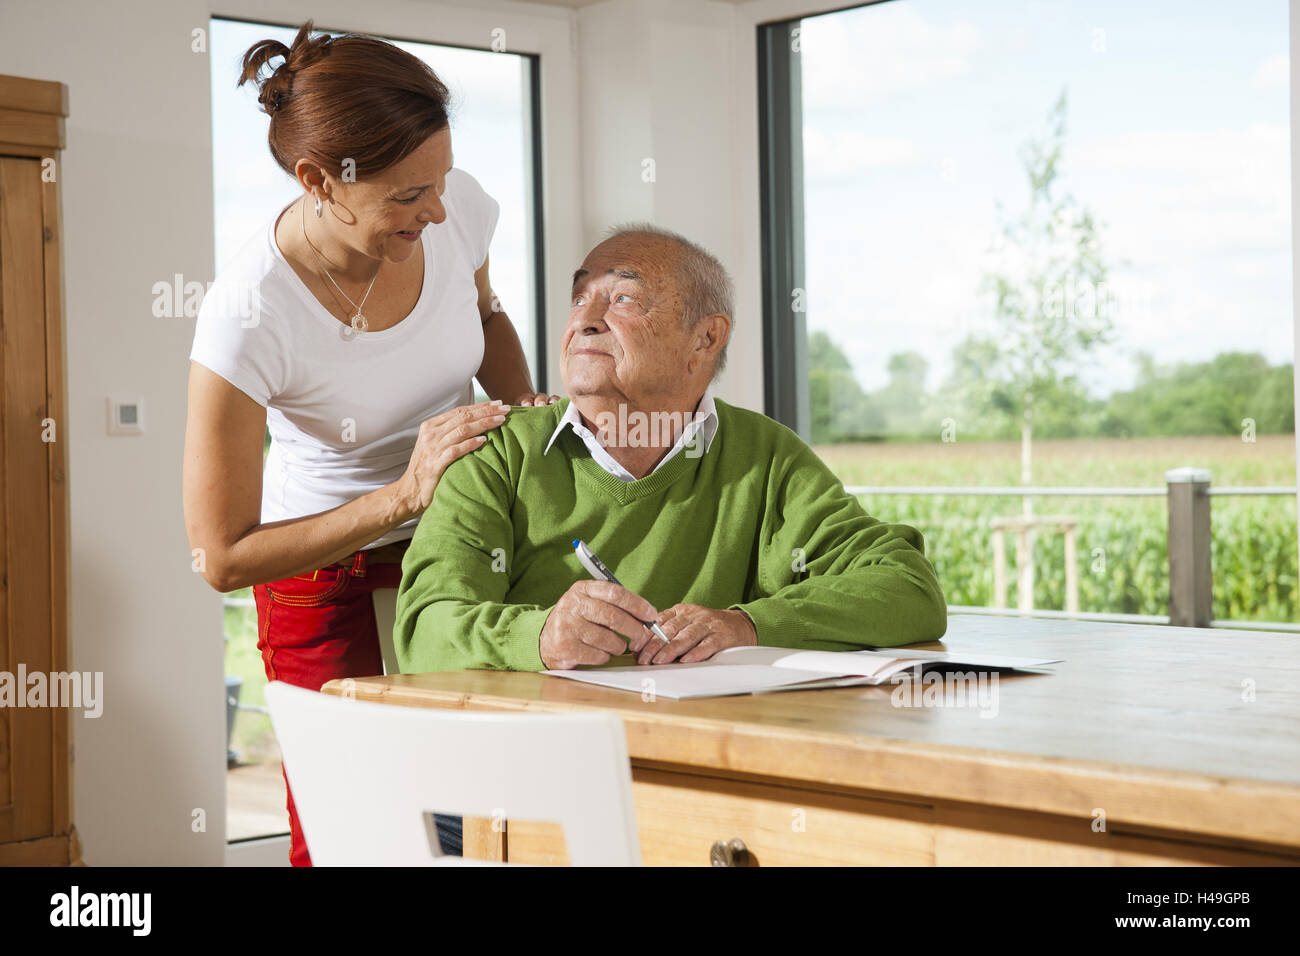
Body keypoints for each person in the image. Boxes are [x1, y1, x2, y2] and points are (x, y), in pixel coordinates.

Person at [182, 20, 555, 866]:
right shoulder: (250, 314)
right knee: (354, 825)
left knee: (470, 809)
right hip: (323, 575)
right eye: (406, 195)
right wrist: (401, 493)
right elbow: (221, 556)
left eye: (443, 179)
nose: (438, 209)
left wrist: (522, 410)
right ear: (321, 180)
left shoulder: (455, 217)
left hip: (460, 539)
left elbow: (486, 316)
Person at [394, 224, 946, 675]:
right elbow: (425, 629)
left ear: (706, 338)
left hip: (701, 764)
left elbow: (907, 587)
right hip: (525, 774)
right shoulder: (495, 452)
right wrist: (540, 637)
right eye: (580, 297)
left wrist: (745, 625)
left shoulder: (764, 456)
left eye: (624, 298)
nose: (584, 320)